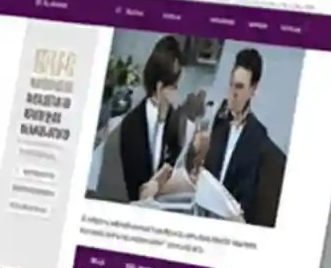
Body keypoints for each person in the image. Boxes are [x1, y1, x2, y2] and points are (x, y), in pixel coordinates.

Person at [201, 48, 282, 226]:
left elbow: (248, 196)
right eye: (231, 85)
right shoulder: (220, 123)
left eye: (239, 87)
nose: (232, 93)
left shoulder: (258, 138)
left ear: (253, 89)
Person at [120, 36, 186, 201]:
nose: (176, 94)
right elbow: (134, 187)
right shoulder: (132, 125)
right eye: (174, 87)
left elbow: (174, 159)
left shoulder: (175, 121)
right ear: (159, 87)